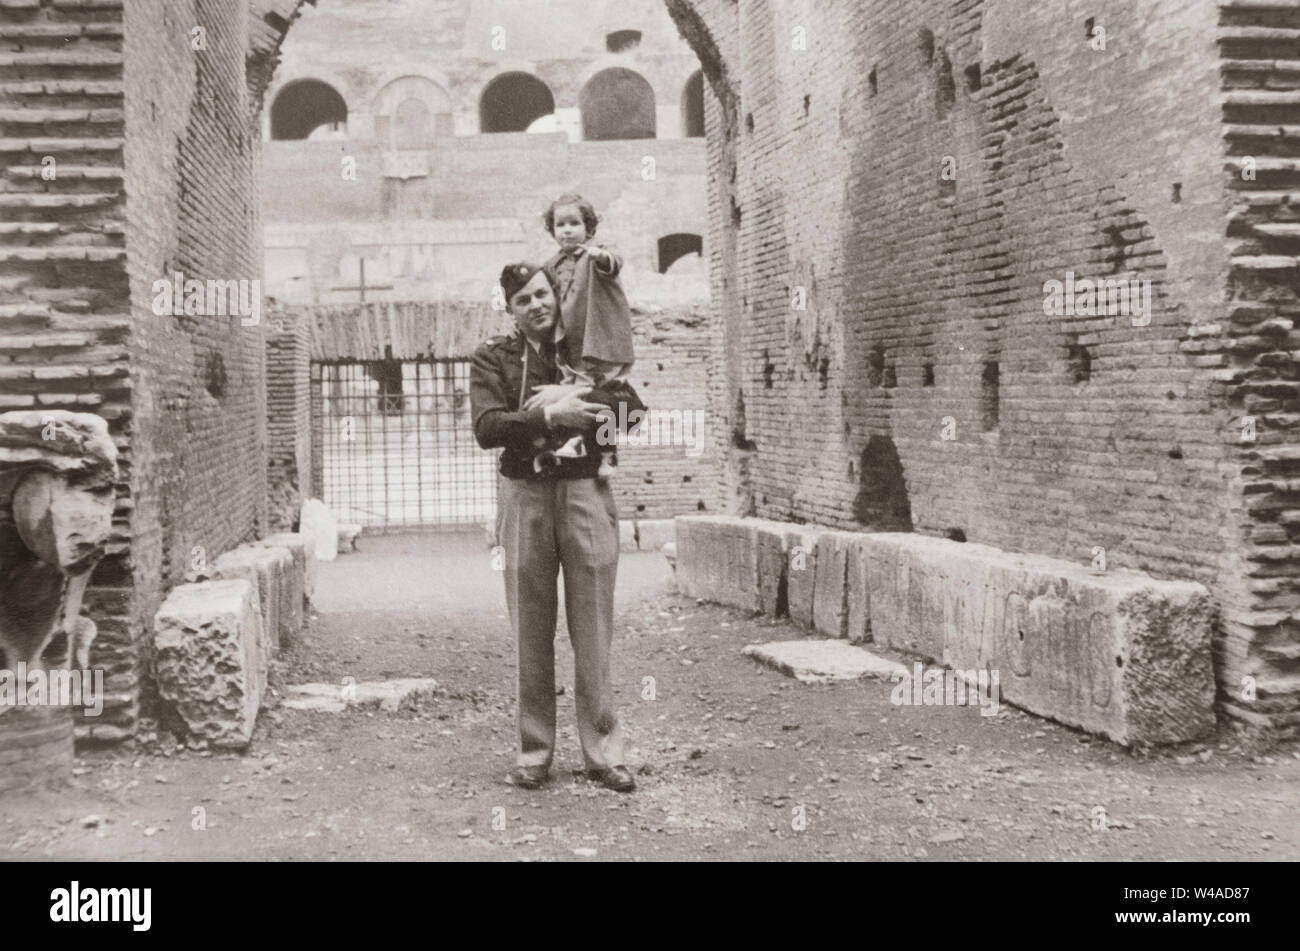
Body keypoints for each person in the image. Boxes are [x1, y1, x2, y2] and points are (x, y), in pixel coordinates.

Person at [470, 262, 646, 792]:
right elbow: (487, 426)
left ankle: (603, 752)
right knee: (530, 625)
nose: (537, 305)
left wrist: (580, 408)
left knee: (593, 625)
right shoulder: (493, 357)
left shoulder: (587, 353)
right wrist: (547, 418)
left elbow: (633, 416)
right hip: (526, 497)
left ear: (557, 296)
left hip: (585, 493)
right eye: (523, 300)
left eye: (543, 293)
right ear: (511, 310)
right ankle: (534, 751)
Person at [541, 193, 635, 480]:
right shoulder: (551, 264)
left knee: (604, 397)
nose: (567, 230)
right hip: (571, 342)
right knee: (577, 393)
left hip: (599, 339)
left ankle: (609, 453)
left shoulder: (596, 255)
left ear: (589, 228)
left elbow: (614, 263)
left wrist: (601, 256)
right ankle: (578, 439)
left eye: (574, 223)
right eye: (560, 225)